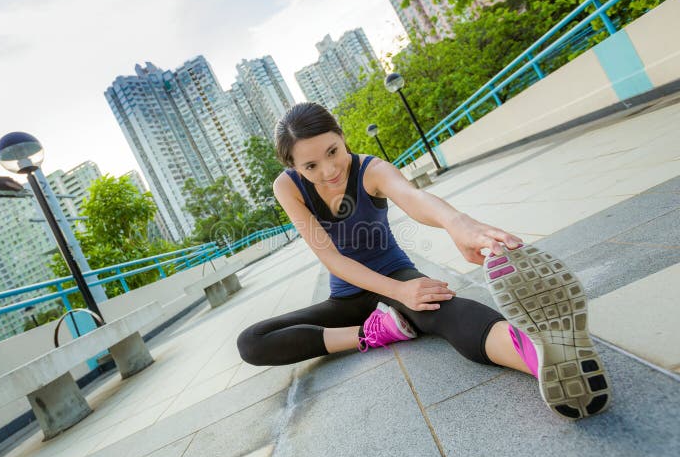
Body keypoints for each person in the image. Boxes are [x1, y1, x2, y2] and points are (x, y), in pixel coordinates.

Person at [237, 102, 610, 420]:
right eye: (311, 166)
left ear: (342, 135)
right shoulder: (287, 187)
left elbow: (414, 199)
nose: (328, 171)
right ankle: (375, 333)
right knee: (252, 342)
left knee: (445, 313)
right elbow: (330, 257)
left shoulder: (373, 170)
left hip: (396, 274)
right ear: (293, 167)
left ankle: (543, 359)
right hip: (349, 298)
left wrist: (458, 224)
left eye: (333, 152)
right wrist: (396, 293)